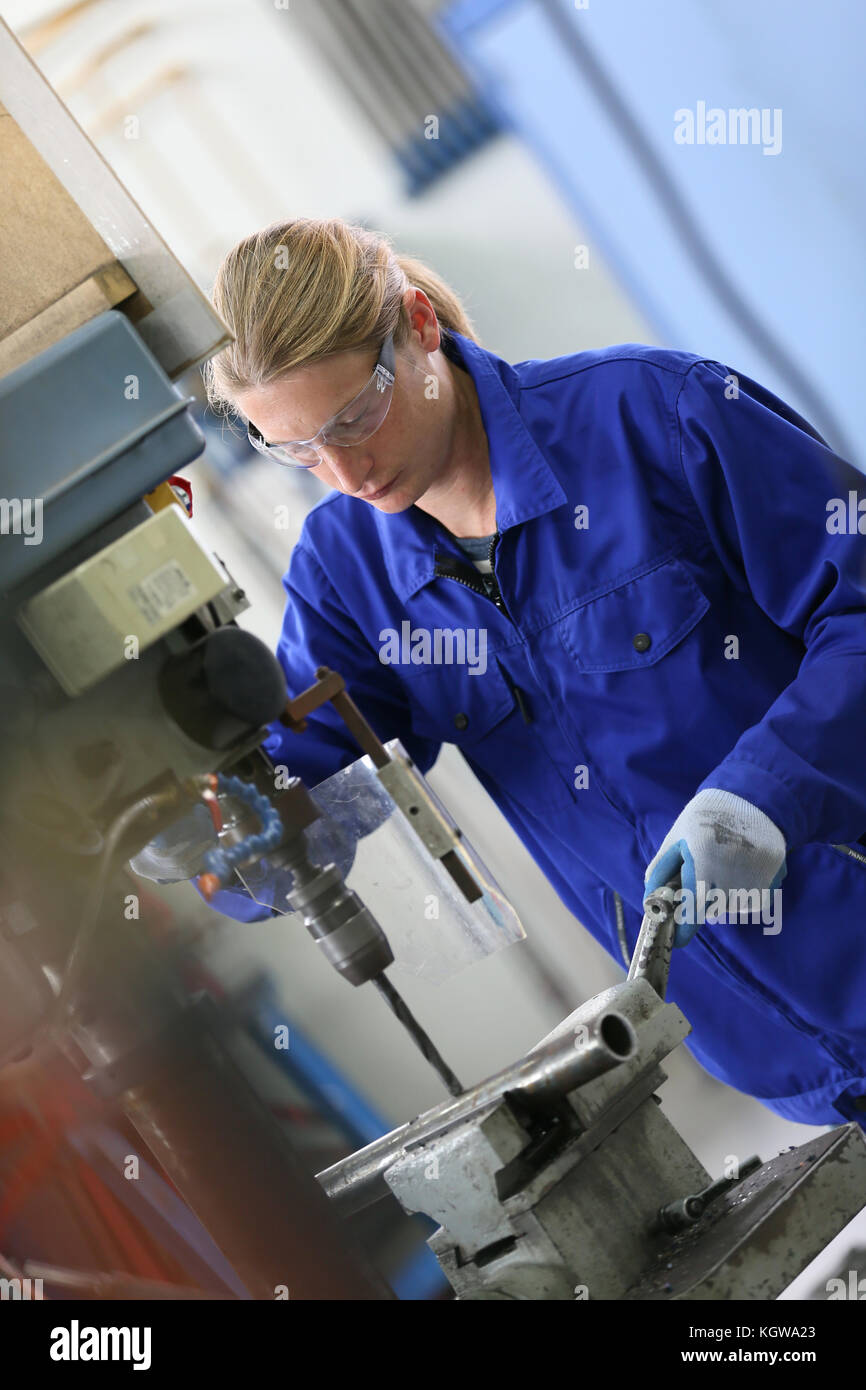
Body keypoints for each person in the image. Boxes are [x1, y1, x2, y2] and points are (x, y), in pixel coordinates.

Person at [188, 216, 866, 1131]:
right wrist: (209, 833)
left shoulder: (655, 417)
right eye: (298, 449)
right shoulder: (348, 571)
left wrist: (768, 792)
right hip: (782, 1062)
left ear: (419, 325)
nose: (343, 472)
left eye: (355, 417)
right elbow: (311, 774)